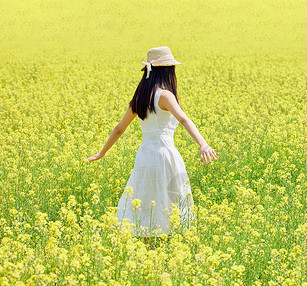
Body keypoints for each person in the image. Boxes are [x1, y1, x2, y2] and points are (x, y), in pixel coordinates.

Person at [85, 46, 218, 249]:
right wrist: (203, 144)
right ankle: (169, 252)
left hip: (145, 156)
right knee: (170, 202)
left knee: (147, 201)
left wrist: (101, 153)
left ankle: (151, 251)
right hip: (165, 155)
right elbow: (183, 119)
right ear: (166, 70)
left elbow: (119, 128)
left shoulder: (139, 98)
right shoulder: (165, 95)